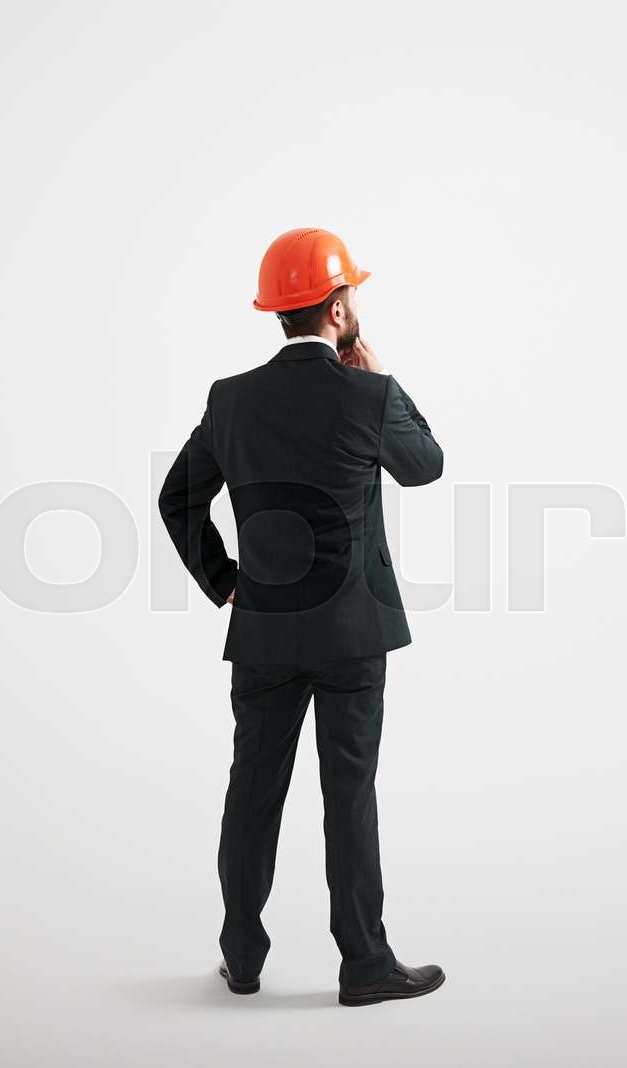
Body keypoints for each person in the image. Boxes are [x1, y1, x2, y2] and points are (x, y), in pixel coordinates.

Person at [158, 227, 446, 1007]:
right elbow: (426, 466)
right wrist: (382, 372)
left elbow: (176, 498)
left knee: (253, 788)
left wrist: (225, 583)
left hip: (265, 631)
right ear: (341, 305)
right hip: (354, 636)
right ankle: (364, 966)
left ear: (276, 313)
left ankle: (241, 957)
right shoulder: (369, 395)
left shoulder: (232, 400)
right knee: (348, 794)